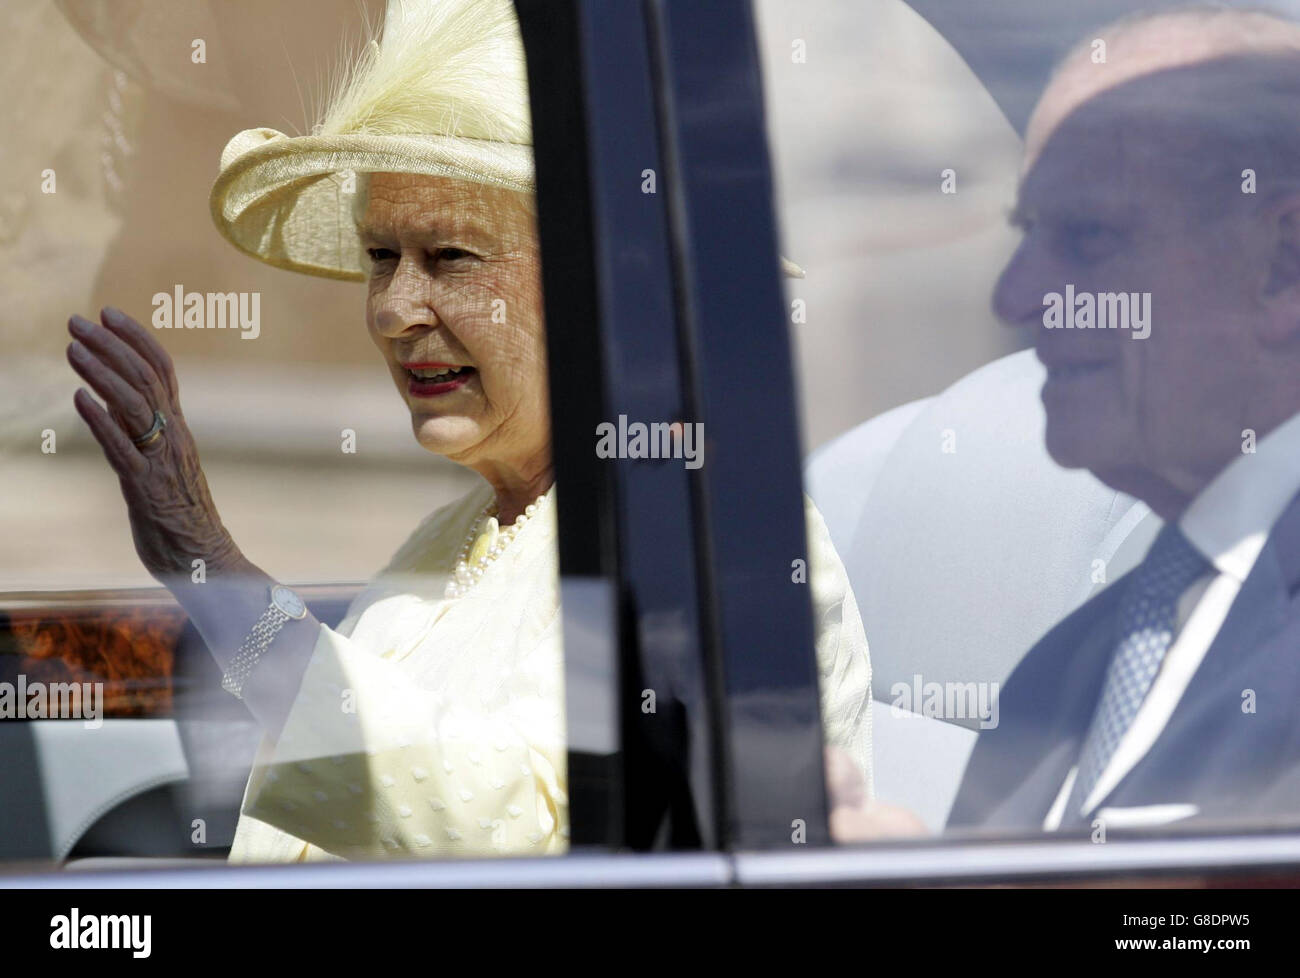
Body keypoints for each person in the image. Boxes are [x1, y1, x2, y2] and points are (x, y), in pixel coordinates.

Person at [64, 0, 874, 861]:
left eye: (450, 257)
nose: (392, 312)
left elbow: (528, 834)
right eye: (381, 258)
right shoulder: (451, 537)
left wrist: (220, 575)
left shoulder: (700, 535)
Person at [949, 7, 1300, 832]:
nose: (1016, 296)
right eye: (1029, 234)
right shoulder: (1067, 666)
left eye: (1088, 237)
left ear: (1283, 263)